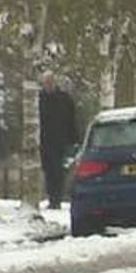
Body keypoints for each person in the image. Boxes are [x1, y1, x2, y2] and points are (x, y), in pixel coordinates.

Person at [37, 71, 79, 209]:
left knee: (59, 170)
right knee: (49, 170)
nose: (48, 85)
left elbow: (72, 120)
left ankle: (57, 198)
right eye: (46, 83)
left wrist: (73, 140)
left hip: (61, 141)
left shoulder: (64, 99)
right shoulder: (39, 99)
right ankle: (52, 197)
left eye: (50, 82)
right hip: (44, 141)